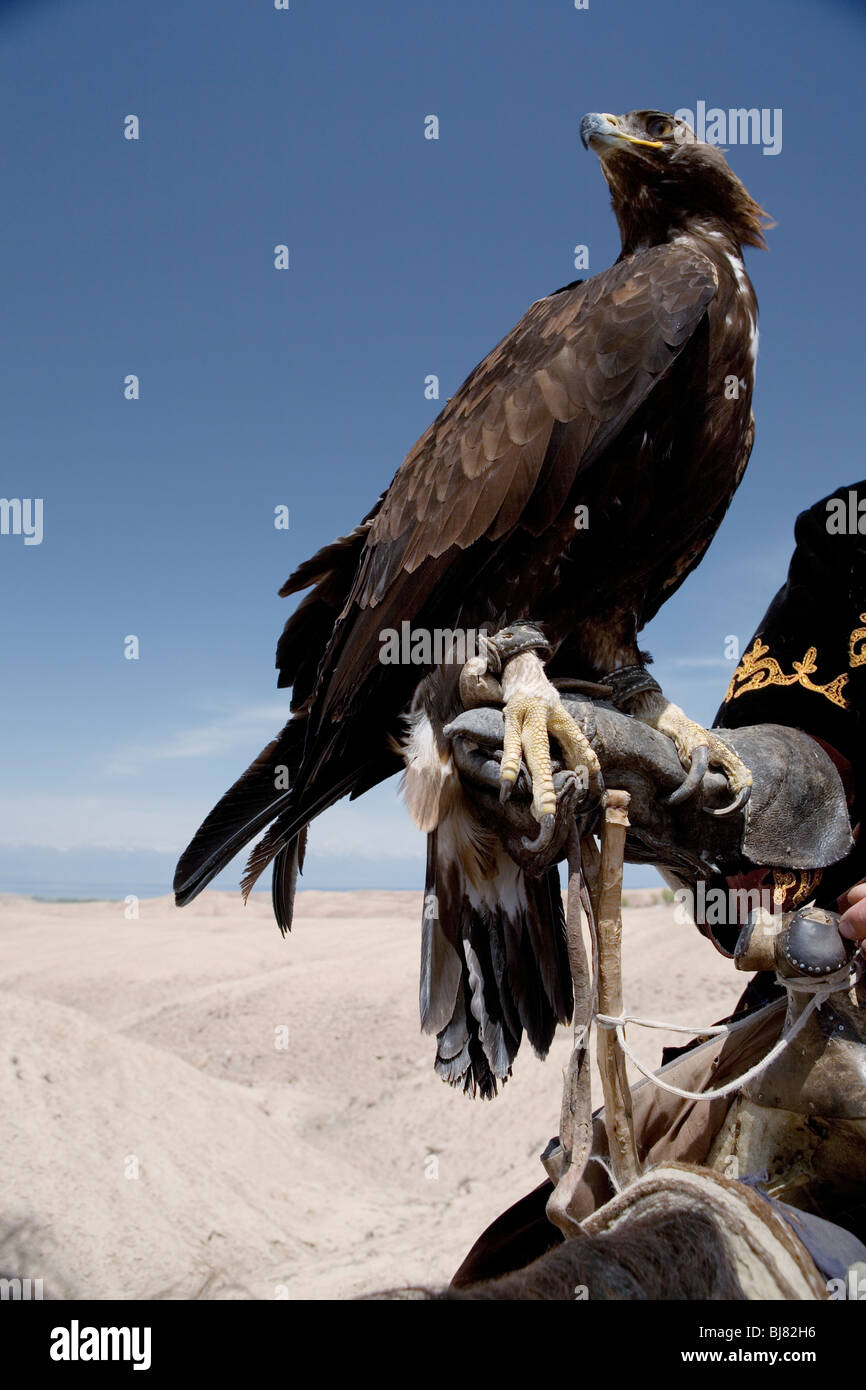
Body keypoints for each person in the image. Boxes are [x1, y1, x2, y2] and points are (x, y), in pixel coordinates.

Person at [449, 481, 866, 1289]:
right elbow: (806, 756)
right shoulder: (855, 536)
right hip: (827, 1019)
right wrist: (707, 806)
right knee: (521, 1257)